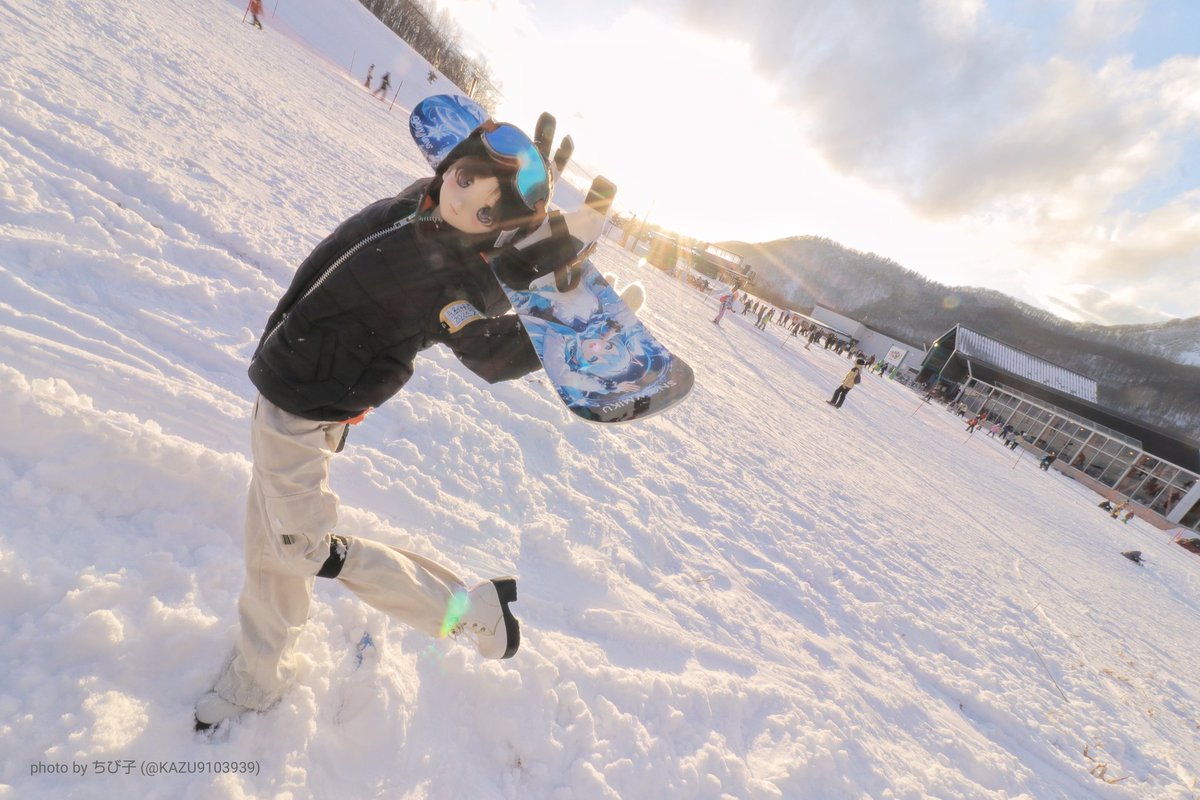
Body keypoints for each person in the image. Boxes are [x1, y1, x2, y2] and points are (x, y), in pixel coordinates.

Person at [194, 119, 583, 731]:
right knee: (271, 548)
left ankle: (471, 611)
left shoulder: (453, 285)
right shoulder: (418, 198)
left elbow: (490, 351)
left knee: (303, 548)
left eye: (485, 212)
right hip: (289, 382)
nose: (462, 200)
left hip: (305, 410)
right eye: (466, 178)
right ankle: (259, 675)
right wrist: (528, 199)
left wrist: (564, 322)